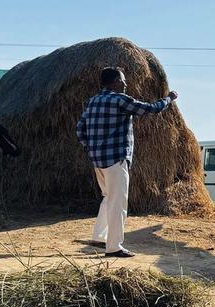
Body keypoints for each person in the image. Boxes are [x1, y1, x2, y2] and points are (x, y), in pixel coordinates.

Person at [75, 66, 177, 258]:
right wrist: (169, 98)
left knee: (108, 197)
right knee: (118, 202)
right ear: (114, 82)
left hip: (98, 161)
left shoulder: (93, 101)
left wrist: (90, 148)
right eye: (122, 80)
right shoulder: (120, 100)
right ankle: (114, 247)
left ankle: (99, 237)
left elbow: (80, 129)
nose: (125, 84)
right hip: (116, 159)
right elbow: (150, 109)